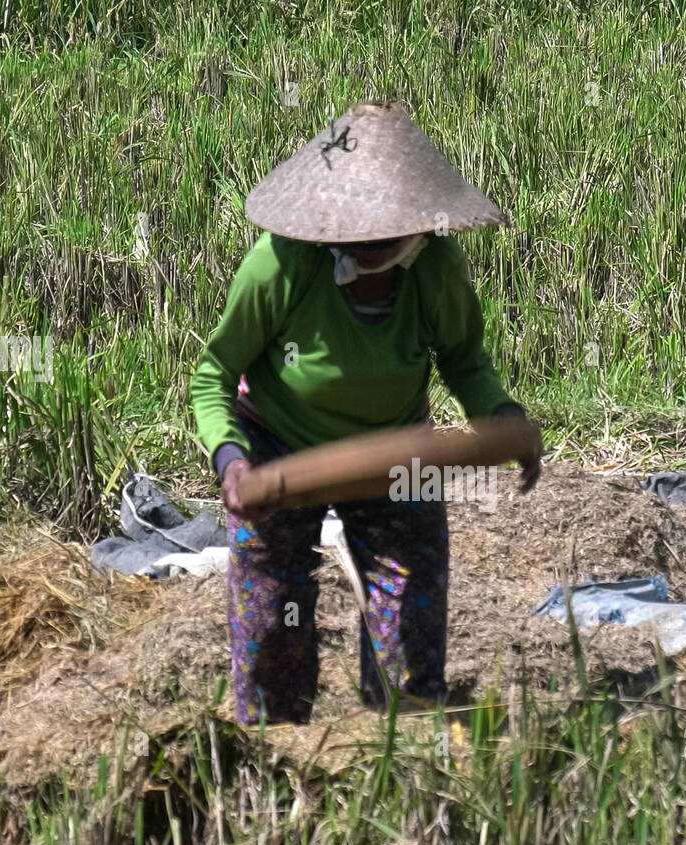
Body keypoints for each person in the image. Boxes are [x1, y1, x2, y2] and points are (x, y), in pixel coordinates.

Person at [191, 100, 541, 726]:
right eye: (360, 228)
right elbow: (213, 374)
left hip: (397, 451)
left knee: (408, 605)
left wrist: (500, 414)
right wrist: (231, 460)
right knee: (274, 608)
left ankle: (401, 735)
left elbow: (464, 361)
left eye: (390, 228)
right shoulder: (280, 266)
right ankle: (274, 737)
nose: (374, 241)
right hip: (278, 444)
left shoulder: (434, 269)